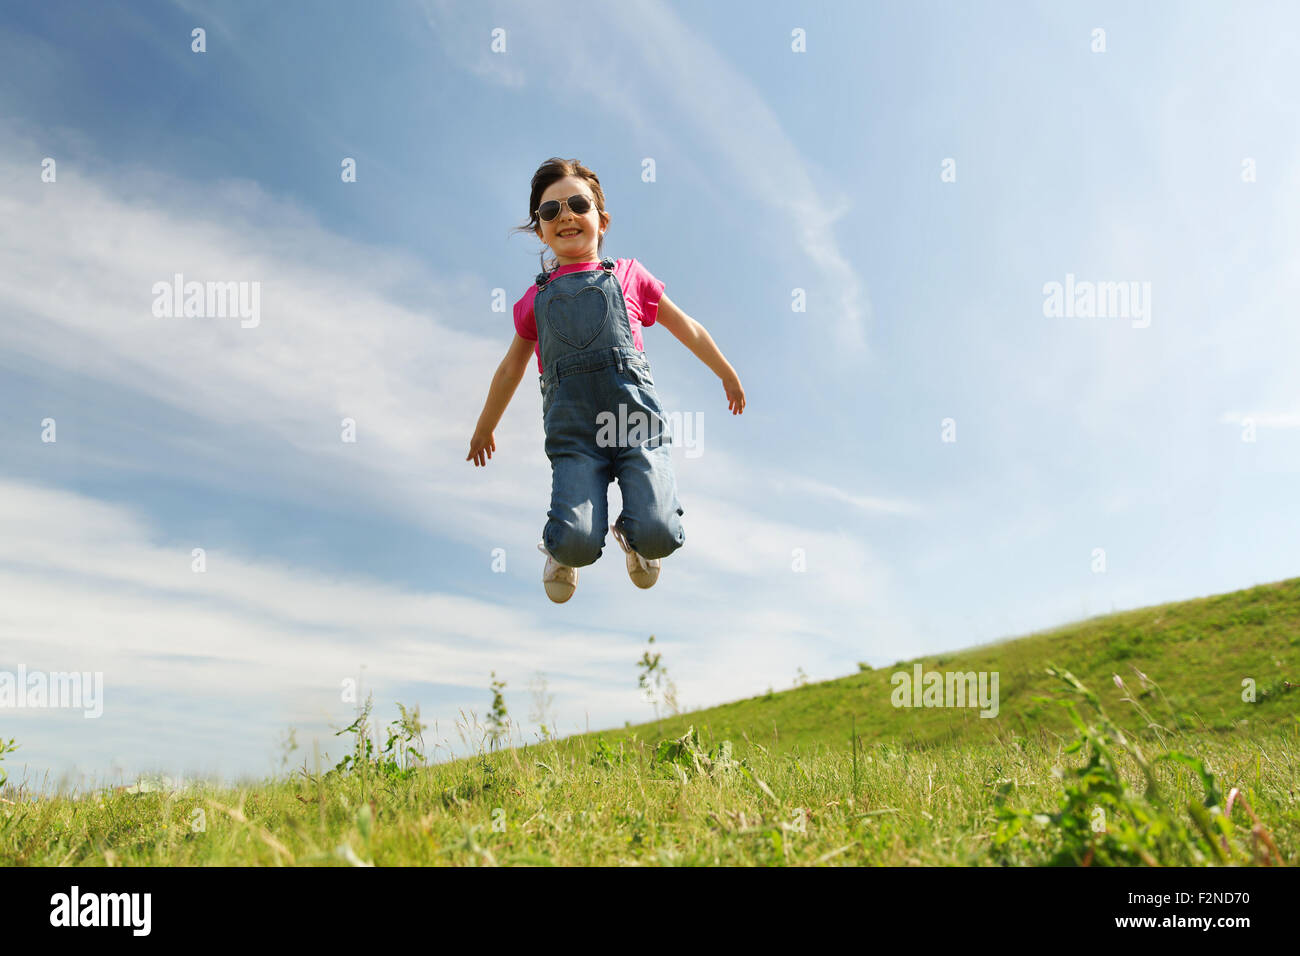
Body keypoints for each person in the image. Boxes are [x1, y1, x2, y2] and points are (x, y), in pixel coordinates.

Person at [467, 157, 746, 603]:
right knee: (577, 541)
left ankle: (636, 538)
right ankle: (561, 549)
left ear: (602, 219)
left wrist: (725, 372)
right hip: (576, 436)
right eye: (550, 211)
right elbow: (509, 369)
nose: (566, 216)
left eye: (578, 204)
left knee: (660, 533)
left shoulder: (631, 276)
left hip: (634, 426)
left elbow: (686, 327)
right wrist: (485, 425)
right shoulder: (532, 301)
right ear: (540, 230)